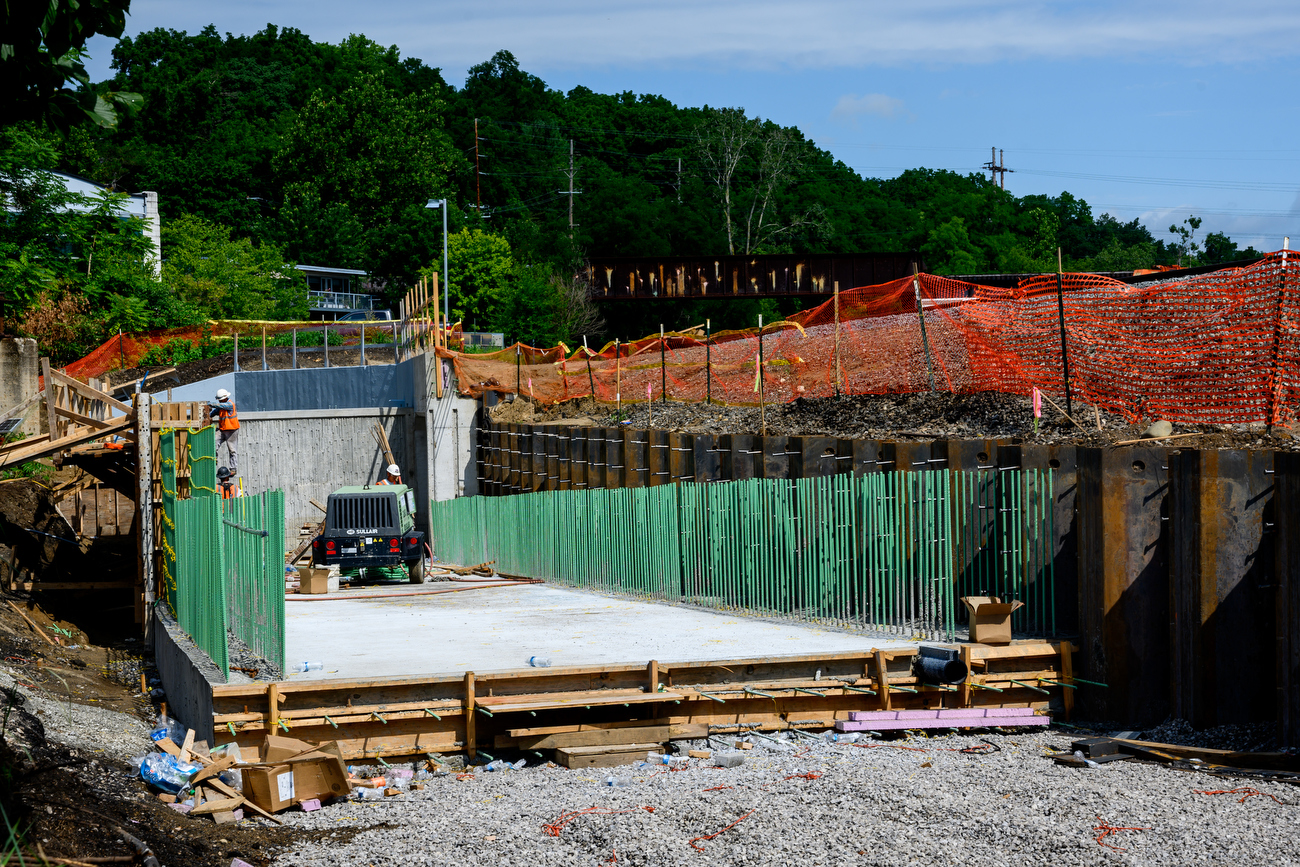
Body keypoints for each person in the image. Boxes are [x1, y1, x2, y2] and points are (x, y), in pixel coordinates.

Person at [210, 388, 239, 475]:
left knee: (232, 450)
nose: (220, 401)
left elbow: (221, 406)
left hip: (232, 431)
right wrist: (208, 415)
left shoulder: (230, 404)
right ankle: (214, 459)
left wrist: (211, 404)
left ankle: (233, 469)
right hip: (222, 430)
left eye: (221, 400)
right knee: (213, 442)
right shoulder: (221, 405)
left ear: (225, 398)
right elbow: (215, 411)